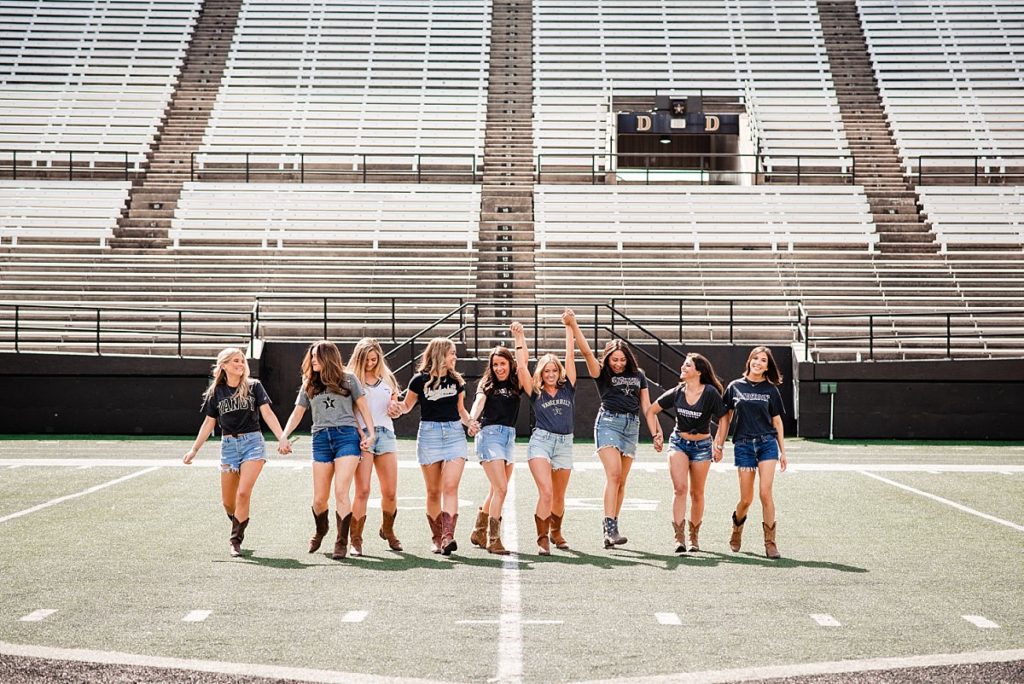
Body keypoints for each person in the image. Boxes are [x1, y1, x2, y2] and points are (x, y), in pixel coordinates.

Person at [183, 347, 290, 557]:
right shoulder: (217, 392)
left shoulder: (254, 386)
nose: (240, 364)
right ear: (223, 365)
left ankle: (235, 540)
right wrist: (194, 450)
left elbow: (267, 414)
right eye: (235, 361)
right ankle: (239, 521)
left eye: (242, 360)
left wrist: (282, 437)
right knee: (228, 502)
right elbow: (208, 423)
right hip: (228, 446)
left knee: (243, 493)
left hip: (253, 443)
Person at [279, 341, 375, 560]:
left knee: (341, 491)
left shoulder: (349, 379)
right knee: (320, 499)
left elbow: (363, 407)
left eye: (316, 356)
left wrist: (371, 433)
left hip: (347, 437)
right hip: (320, 439)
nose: (312, 360)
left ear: (328, 357)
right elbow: (297, 413)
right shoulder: (309, 383)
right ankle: (321, 529)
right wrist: (284, 435)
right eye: (311, 356)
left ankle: (341, 542)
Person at [565, 309, 652, 549]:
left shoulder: (639, 375)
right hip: (608, 424)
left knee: (621, 482)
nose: (618, 363)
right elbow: (585, 351)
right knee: (613, 475)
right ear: (608, 359)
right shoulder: (601, 373)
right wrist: (573, 325)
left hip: (631, 426)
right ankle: (609, 527)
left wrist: (656, 432)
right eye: (614, 359)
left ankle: (612, 526)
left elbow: (646, 405)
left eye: (622, 359)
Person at [392, 337, 478, 555]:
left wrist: (471, 423)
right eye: (452, 353)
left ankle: (448, 537)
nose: (455, 357)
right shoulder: (418, 381)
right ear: (440, 354)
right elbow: (407, 406)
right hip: (429, 435)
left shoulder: (456, 381)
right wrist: (396, 407)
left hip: (454, 435)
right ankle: (437, 536)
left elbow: (461, 411)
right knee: (433, 492)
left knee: (450, 487)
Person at [645, 353, 726, 553]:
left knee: (697, 493)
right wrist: (657, 434)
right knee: (680, 489)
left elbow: (724, 418)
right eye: (684, 364)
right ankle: (679, 538)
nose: (683, 367)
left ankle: (693, 537)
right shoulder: (677, 392)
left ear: (698, 371)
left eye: (687, 365)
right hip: (678, 443)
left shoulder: (710, 393)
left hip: (702, 447)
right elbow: (651, 411)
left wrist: (719, 444)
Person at [713, 346, 788, 559]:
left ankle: (770, 543)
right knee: (746, 499)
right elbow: (725, 417)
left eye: (763, 360)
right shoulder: (735, 386)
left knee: (766, 492)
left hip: (767, 444)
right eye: (756, 358)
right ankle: (737, 528)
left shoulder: (771, 390)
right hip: (743, 445)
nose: (758, 362)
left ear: (767, 366)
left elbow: (777, 421)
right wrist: (719, 444)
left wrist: (783, 451)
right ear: (749, 361)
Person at [514, 314, 577, 554]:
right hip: (541, 441)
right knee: (547, 492)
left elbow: (570, 356)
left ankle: (556, 532)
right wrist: (519, 337)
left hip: (564, 444)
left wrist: (569, 327)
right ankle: (542, 538)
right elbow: (521, 367)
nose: (550, 374)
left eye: (554, 370)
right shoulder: (536, 391)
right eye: (546, 370)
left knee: (559, 496)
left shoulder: (568, 388)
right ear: (541, 372)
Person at [347, 338, 403, 554]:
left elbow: (394, 402)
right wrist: (361, 432)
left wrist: (395, 408)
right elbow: (348, 410)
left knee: (390, 491)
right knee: (363, 490)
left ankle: (388, 530)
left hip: (386, 433)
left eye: (374, 359)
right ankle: (356, 539)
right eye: (367, 360)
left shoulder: (386, 378)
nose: (371, 363)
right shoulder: (351, 379)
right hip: (362, 436)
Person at [467, 341, 523, 555]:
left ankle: (479, 530)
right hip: (489, 435)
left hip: (508, 436)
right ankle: (494, 539)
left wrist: (519, 338)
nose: (499, 368)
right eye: (495, 364)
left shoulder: (516, 381)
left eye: (502, 363)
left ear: (510, 364)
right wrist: (472, 419)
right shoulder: (486, 383)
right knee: (501, 488)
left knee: (495, 489)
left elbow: (524, 361)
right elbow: (479, 401)